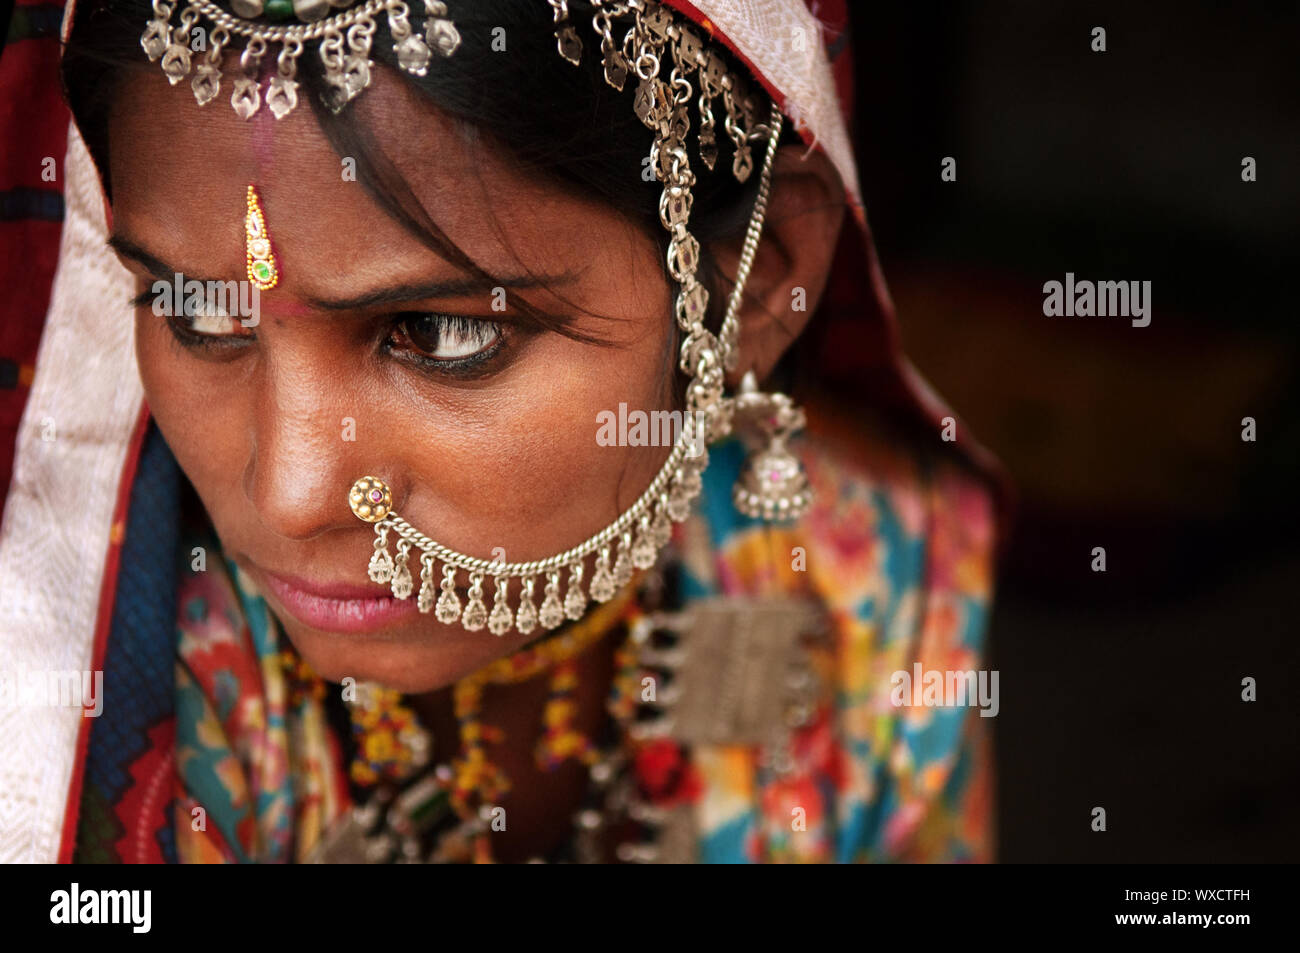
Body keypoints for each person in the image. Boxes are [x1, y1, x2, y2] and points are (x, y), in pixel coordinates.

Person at [0, 0, 1006, 863]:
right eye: (200, 315)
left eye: (438, 332)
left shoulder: (879, 574)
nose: (289, 494)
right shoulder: (84, 709)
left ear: (756, 279)